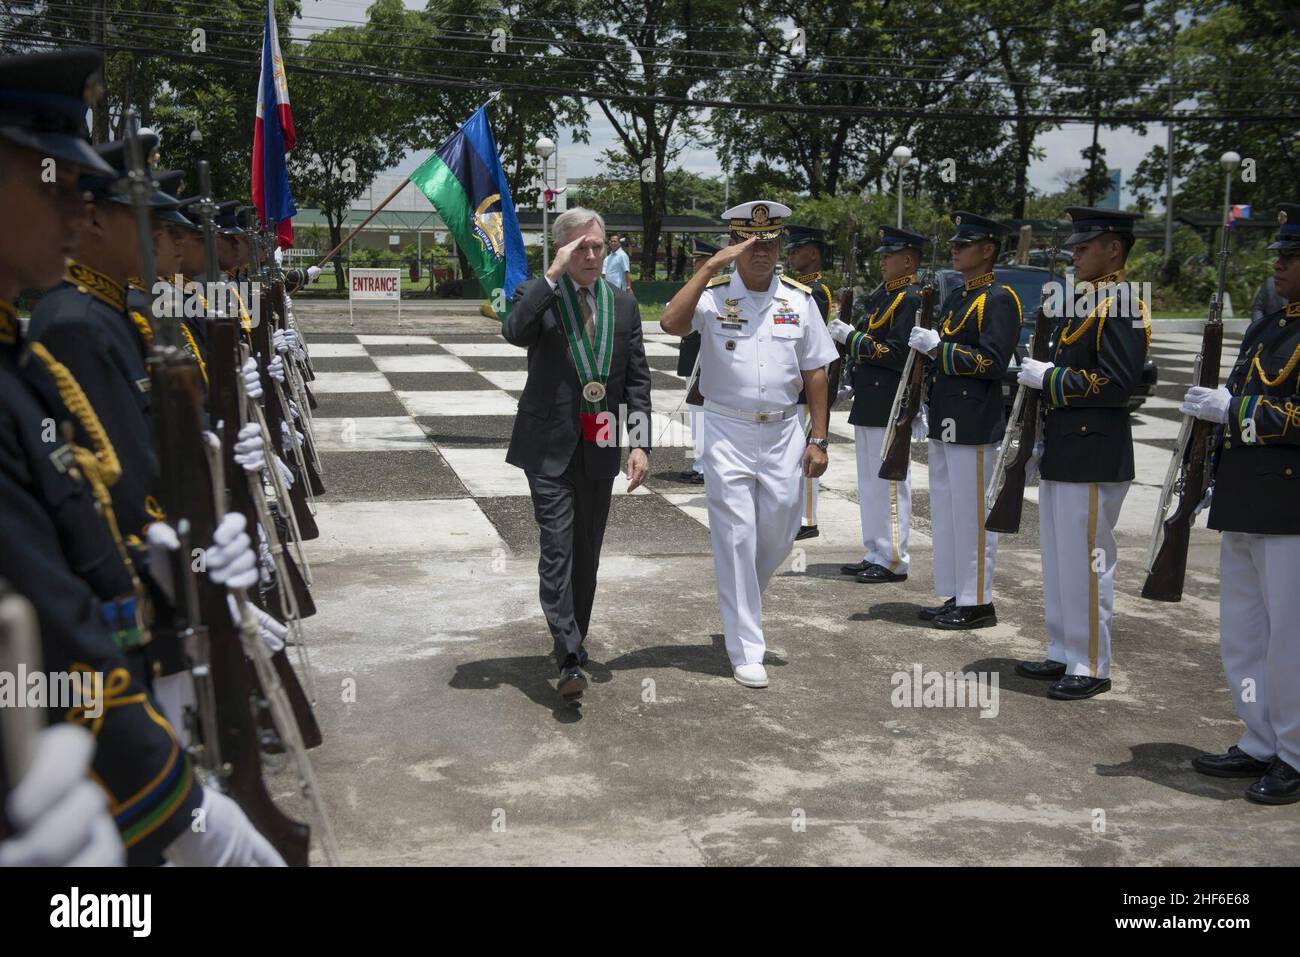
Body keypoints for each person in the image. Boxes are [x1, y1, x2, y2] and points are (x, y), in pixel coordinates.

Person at [0, 47, 283, 866]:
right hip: (87, 724)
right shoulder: (73, 324)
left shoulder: (85, 324)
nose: (175, 245)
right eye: (56, 184)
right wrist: (162, 792)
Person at [660, 201, 837, 688]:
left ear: (780, 247)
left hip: (784, 432)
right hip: (726, 430)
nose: (761, 252)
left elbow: (816, 372)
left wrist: (819, 438)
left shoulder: (799, 299)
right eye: (750, 244)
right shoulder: (714, 295)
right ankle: (745, 649)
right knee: (737, 537)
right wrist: (708, 268)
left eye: (770, 244)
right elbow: (671, 323)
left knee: (780, 533)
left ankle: (742, 608)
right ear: (734, 246)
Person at [502, 208, 652, 699]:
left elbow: (637, 380)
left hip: (602, 439)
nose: (591, 256)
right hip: (547, 443)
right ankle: (567, 655)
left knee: (587, 553)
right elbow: (514, 331)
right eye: (580, 248)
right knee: (558, 548)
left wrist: (639, 443)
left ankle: (575, 639)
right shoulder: (538, 294)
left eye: (597, 247)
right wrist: (550, 276)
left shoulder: (623, 305)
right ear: (563, 250)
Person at [1183, 202, 1300, 803]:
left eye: (1290, 257)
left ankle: (1295, 754)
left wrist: (1238, 411)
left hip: (1289, 506)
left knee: (1290, 640)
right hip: (1244, 496)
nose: (1277, 265)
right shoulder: (1268, 327)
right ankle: (1259, 739)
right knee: (1244, 634)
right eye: (1278, 254)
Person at [1014, 207, 1149, 700]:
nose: (1075, 254)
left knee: (1088, 563)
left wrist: (1050, 377)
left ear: (1114, 249)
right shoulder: (1083, 302)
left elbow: (1117, 383)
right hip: (1066, 447)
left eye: (1084, 246)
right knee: (1059, 560)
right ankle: (1063, 649)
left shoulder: (1123, 304)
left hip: (1095, 452)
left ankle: (1091, 663)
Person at [908, 211, 1020, 629]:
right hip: (947, 415)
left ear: (987, 250)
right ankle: (958, 593)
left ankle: (978, 602)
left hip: (974, 421)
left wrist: (940, 350)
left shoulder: (999, 298)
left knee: (973, 516)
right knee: (948, 511)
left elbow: (993, 362)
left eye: (963, 244)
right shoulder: (959, 295)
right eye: (955, 244)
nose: (954, 250)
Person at [829, 225, 925, 583]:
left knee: (889, 484)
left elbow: (897, 354)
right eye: (882, 256)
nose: (883, 262)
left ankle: (894, 559)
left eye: (889, 256)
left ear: (908, 261)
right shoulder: (884, 295)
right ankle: (875, 551)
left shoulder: (910, 299)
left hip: (890, 401)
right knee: (870, 484)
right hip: (870, 399)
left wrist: (853, 339)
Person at [785, 225, 835, 540]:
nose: (791, 254)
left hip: (806, 386)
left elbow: (811, 346)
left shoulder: (816, 291)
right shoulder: (797, 288)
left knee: (806, 451)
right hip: (794, 385)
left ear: (813, 253)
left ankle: (807, 518)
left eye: (797, 249)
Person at [674, 239, 720, 485]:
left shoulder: (716, 290)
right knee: (696, 417)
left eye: (700, 259)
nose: (695, 264)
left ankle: (705, 467)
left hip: (704, 361)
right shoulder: (698, 286)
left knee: (704, 417)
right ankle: (699, 464)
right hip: (692, 357)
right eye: (695, 260)